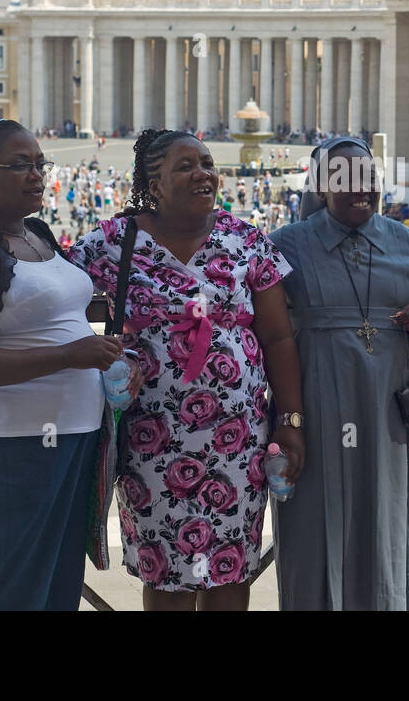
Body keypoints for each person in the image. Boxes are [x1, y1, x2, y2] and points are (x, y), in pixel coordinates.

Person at [66, 128, 304, 611]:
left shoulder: (245, 239)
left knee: (230, 573)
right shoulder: (114, 242)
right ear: (153, 183)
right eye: (186, 166)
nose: (204, 174)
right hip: (153, 441)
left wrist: (292, 421)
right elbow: (47, 292)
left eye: (208, 163)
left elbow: (279, 337)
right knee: (165, 576)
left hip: (237, 442)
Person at [0, 116, 139, 610]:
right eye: (20, 165)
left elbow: (40, 301)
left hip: (76, 434)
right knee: (8, 586)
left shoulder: (36, 232)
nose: (37, 174)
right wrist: (71, 356)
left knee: (57, 584)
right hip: (11, 444)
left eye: (40, 163)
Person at [269, 137, 409, 610]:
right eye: (344, 178)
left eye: (369, 178)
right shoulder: (283, 246)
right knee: (321, 521)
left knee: (399, 518)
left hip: (397, 416)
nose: (360, 189)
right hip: (316, 408)